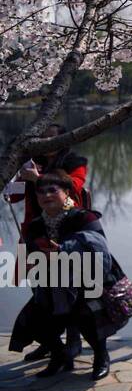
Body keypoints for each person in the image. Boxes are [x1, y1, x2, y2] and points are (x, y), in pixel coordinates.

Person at [9, 171, 121, 380]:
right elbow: (32, 254)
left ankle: (101, 356)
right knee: (33, 321)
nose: (46, 195)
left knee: (87, 314)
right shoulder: (35, 225)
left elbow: (98, 246)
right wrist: (36, 253)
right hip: (53, 282)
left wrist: (64, 250)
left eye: (53, 190)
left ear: (66, 192)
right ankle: (59, 355)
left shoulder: (83, 216)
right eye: (41, 191)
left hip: (89, 279)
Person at [5, 124, 89, 362]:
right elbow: (12, 196)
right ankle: (49, 341)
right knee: (40, 289)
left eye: (52, 137)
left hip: (65, 232)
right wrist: (19, 174)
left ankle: (74, 339)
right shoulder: (33, 161)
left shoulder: (74, 161)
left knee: (69, 289)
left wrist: (38, 179)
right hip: (35, 231)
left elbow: (74, 189)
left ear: (63, 140)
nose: (47, 140)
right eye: (44, 137)